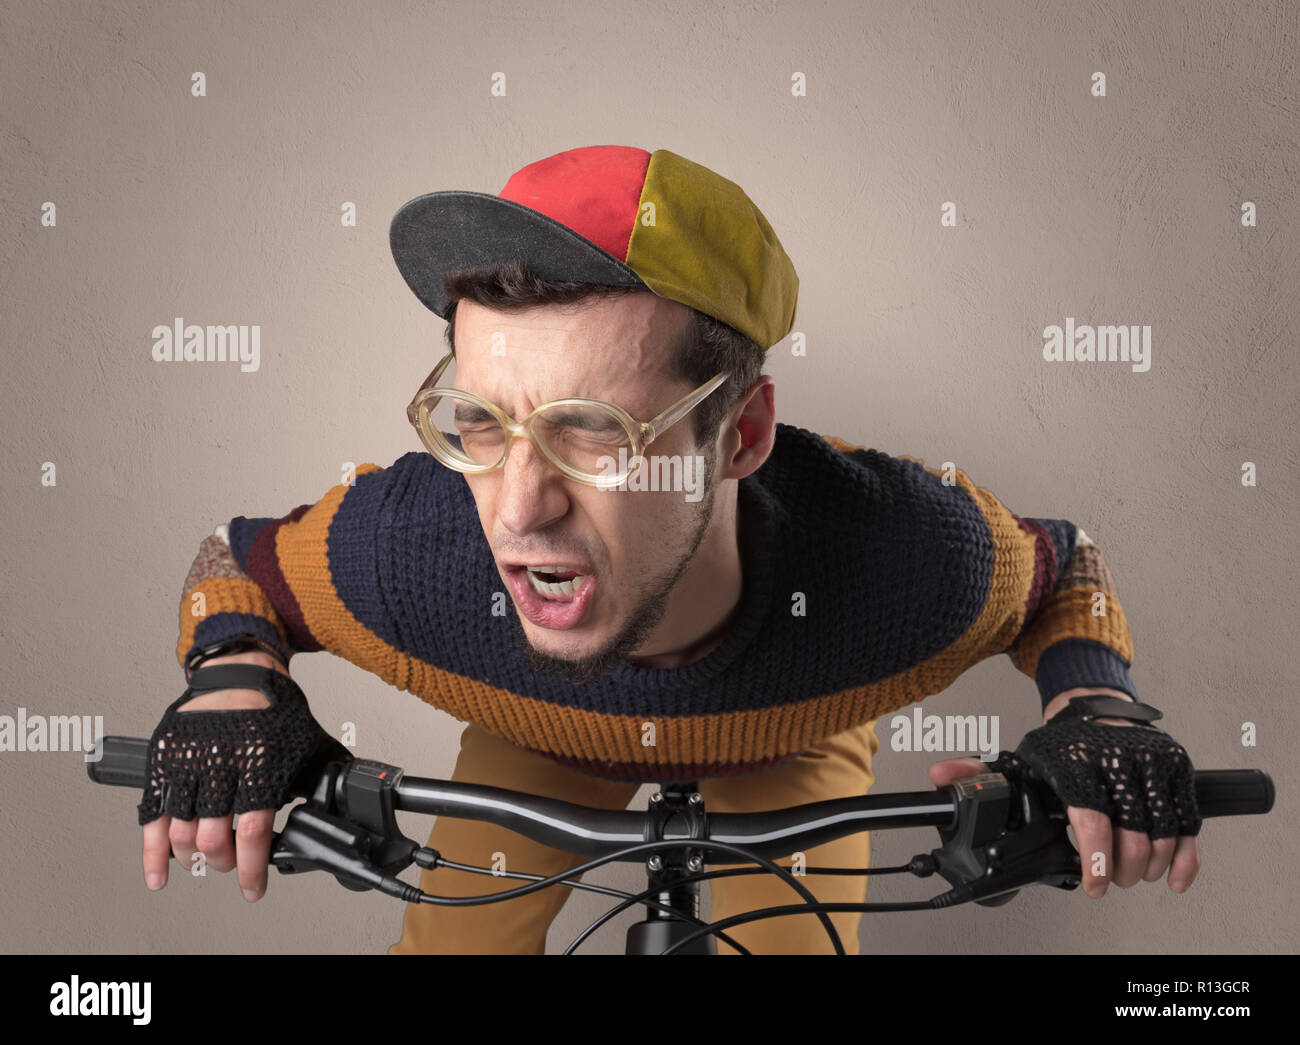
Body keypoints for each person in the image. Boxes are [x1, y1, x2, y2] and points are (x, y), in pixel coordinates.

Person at [137, 145, 1202, 954]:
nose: (517, 510)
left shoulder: (909, 559)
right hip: (541, 739)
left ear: (737, 434)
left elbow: (1068, 566)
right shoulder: (408, 548)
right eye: (480, 419)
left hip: (791, 736)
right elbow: (234, 562)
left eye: (595, 428)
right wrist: (232, 679)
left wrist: (1093, 706)